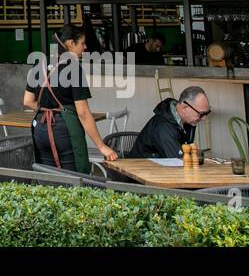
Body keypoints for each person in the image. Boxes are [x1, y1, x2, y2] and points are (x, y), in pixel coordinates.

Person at [24, 24, 119, 173]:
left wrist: (49, 110)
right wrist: (102, 146)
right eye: (82, 43)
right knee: (74, 178)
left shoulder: (39, 64)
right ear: (70, 43)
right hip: (64, 131)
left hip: (40, 131)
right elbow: (83, 113)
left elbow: (28, 101)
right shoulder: (73, 68)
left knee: (48, 178)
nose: (85, 47)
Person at [128, 85, 210, 158]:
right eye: (201, 114)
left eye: (207, 113)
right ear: (185, 107)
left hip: (162, 169)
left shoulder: (187, 120)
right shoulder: (163, 127)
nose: (204, 118)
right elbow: (179, 161)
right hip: (141, 171)